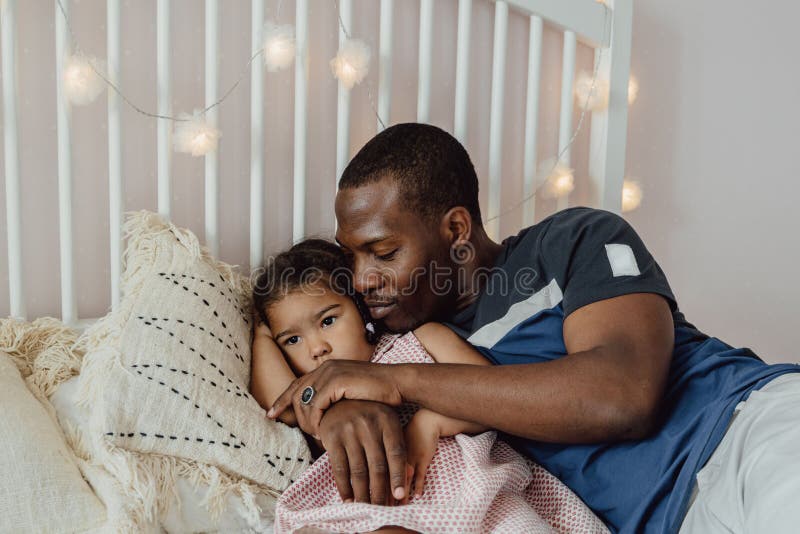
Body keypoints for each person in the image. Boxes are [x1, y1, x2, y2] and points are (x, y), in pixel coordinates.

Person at [268, 123, 800, 533]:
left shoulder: (573, 239)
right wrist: (344, 402)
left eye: (383, 253)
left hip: (743, 435)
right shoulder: (396, 339)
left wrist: (397, 382)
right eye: (352, 257)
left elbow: (620, 398)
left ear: (455, 230)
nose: (362, 280)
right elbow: (276, 332)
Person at [251, 239, 608, 534]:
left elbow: (486, 390)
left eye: (328, 320)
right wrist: (263, 331)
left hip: (473, 490)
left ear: (360, 307)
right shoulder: (313, 391)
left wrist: (430, 422)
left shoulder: (417, 340)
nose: (316, 348)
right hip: (383, 506)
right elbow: (276, 399)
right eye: (293, 340)